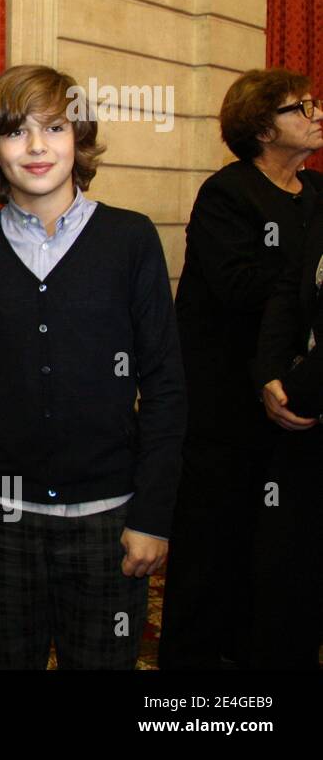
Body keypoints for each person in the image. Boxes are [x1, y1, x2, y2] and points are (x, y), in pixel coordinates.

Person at [0, 64, 184, 669]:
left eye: (53, 127)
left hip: (110, 519)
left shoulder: (130, 240)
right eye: (15, 132)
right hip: (2, 519)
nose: (36, 147)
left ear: (78, 138)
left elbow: (164, 386)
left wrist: (153, 515)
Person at [160, 69, 323, 670]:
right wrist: (306, 286)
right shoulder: (228, 193)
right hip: (226, 407)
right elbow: (235, 288)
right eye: (299, 107)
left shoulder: (319, 194)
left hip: (298, 399)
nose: (315, 112)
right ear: (261, 126)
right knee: (214, 548)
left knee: (281, 555)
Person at [249, 87, 323, 669]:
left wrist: (302, 389)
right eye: (302, 107)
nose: (317, 114)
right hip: (297, 420)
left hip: (310, 397)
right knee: (287, 582)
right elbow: (288, 292)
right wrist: (271, 375)